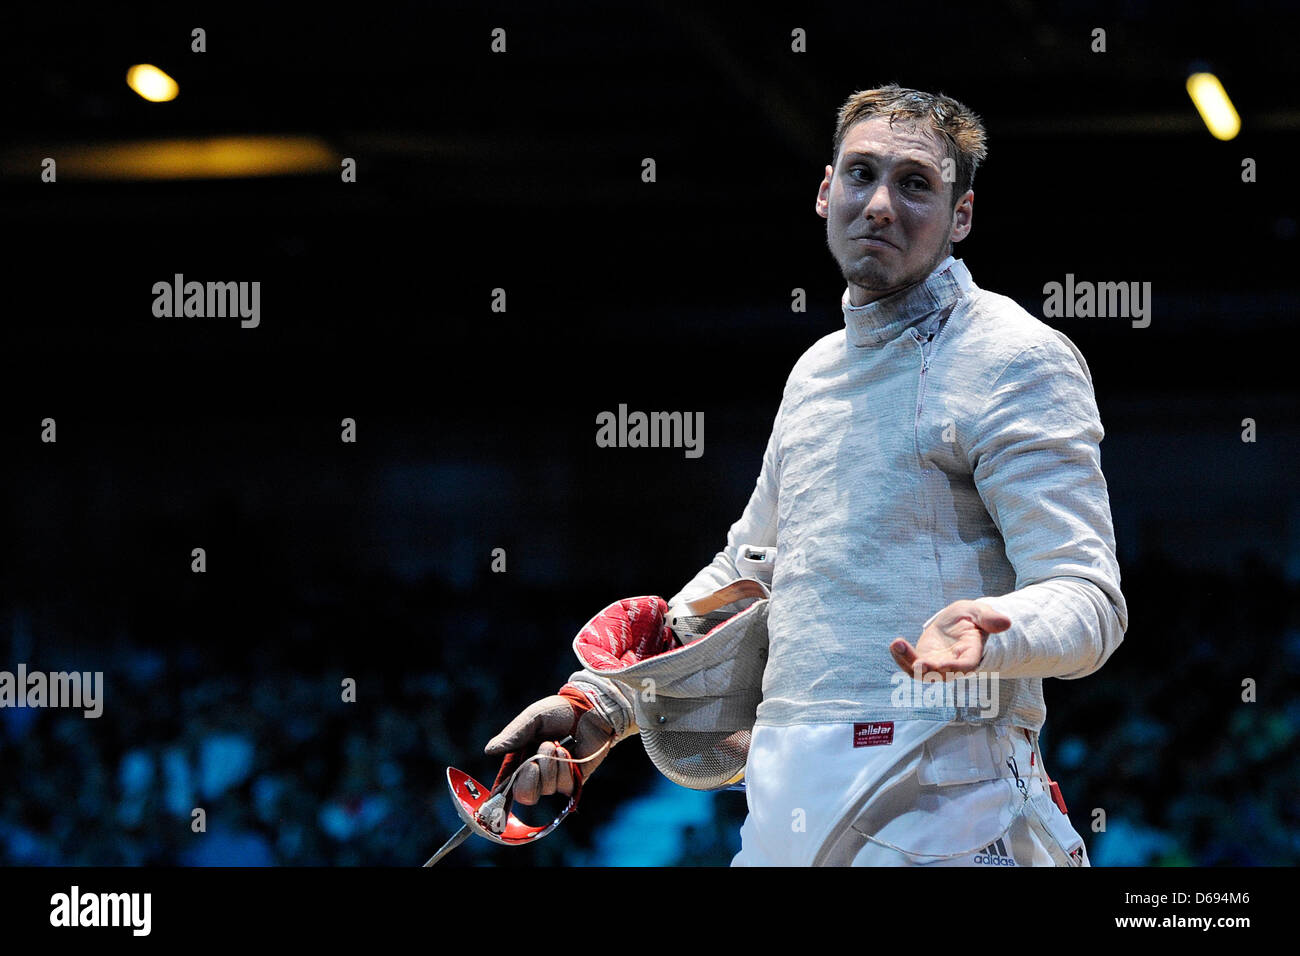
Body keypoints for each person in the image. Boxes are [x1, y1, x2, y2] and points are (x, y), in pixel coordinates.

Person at [484, 84, 1128, 866]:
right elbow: (749, 572)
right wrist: (600, 706)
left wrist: (999, 632)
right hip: (789, 795)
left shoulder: (1015, 357)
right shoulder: (817, 372)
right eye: (861, 174)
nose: (881, 204)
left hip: (946, 796)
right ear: (826, 191)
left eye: (916, 183)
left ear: (961, 216)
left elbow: (1088, 599)